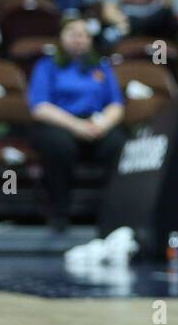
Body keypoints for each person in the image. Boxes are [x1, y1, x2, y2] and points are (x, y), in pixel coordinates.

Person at [27, 17, 127, 232]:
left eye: (83, 34)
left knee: (117, 143)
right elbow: (40, 107)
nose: (78, 38)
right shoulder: (47, 66)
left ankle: (112, 215)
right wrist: (77, 126)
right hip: (59, 123)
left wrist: (101, 125)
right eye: (72, 32)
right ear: (61, 37)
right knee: (60, 145)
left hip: (94, 124)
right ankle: (59, 213)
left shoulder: (101, 66)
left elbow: (116, 105)